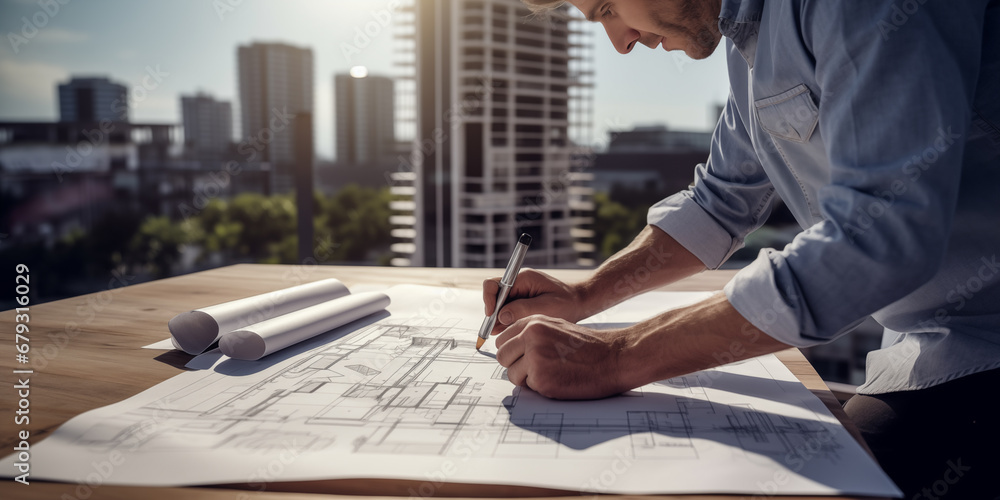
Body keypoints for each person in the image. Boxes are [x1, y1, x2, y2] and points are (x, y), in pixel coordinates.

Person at [482, 0, 1000, 497]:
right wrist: (584, 295)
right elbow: (719, 201)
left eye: (608, 9)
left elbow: (878, 239)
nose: (619, 43)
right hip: (926, 348)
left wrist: (616, 357)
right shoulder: (748, 40)